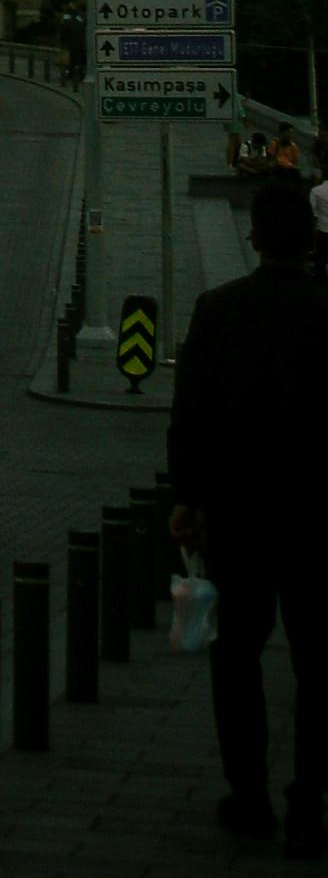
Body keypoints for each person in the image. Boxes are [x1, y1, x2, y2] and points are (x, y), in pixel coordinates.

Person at [167, 174, 328, 859]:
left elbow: (190, 417)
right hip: (319, 523)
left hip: (239, 519)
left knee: (236, 656)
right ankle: (307, 803)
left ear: (254, 236)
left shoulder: (217, 310)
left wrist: (188, 500)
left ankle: (250, 793)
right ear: (312, 241)